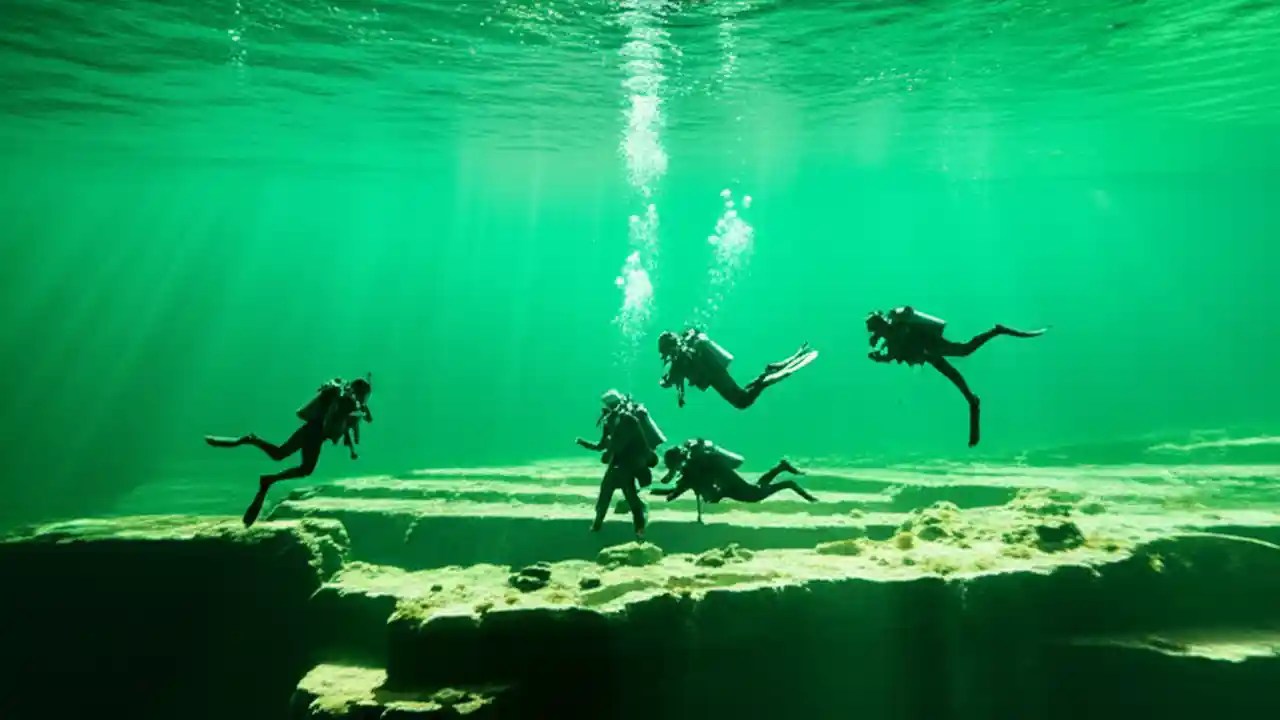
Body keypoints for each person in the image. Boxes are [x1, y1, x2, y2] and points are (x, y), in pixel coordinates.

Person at [205, 374, 373, 527]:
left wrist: (352, 444)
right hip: (314, 435)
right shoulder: (347, 403)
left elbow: (344, 425)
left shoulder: (347, 401)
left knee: (279, 454)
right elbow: (346, 421)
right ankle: (268, 480)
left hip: (308, 429)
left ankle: (252, 440)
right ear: (361, 392)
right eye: (365, 395)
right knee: (306, 469)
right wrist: (362, 414)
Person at [865, 306, 1046, 447]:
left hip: (932, 348)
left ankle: (996, 331)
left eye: (875, 329)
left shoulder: (897, 327)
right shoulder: (890, 335)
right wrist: (880, 356)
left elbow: (898, 349)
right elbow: (896, 354)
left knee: (964, 351)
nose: (875, 333)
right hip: (930, 355)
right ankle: (972, 402)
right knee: (958, 377)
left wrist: (882, 355)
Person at [652, 439, 817, 522]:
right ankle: (781, 467)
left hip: (736, 488)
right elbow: (678, 488)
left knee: (755, 494)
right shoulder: (695, 465)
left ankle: (794, 486)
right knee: (756, 488)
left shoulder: (693, 468)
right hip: (732, 486)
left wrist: (660, 493)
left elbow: (676, 491)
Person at [575, 390, 665, 540]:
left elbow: (618, 443)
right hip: (621, 463)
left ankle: (608, 525)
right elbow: (602, 445)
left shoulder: (628, 420)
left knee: (618, 492)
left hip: (629, 464)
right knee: (619, 492)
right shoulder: (611, 420)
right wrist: (584, 443)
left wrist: (608, 454)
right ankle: (609, 524)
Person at [658, 327, 817, 409]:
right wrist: (680, 396)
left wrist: (663, 381)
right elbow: (679, 380)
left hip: (715, 376)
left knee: (742, 402)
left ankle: (769, 378)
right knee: (742, 394)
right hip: (716, 368)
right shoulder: (684, 350)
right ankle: (768, 372)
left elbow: (671, 380)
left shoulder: (676, 361)